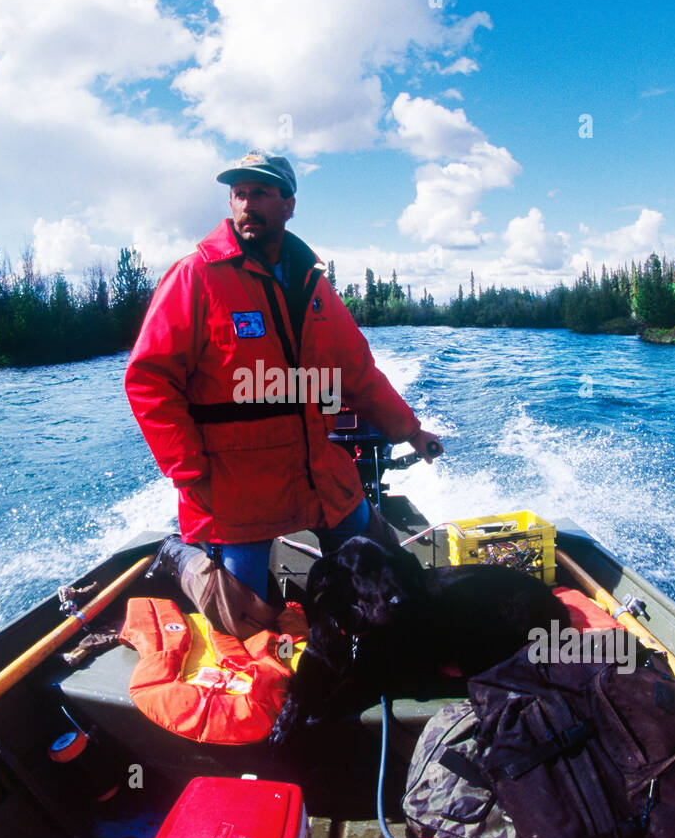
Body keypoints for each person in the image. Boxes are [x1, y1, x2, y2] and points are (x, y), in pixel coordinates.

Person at [125, 150, 443, 605]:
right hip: (236, 484)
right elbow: (148, 379)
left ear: (289, 204)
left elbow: (357, 371)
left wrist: (410, 431)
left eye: (260, 193)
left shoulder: (314, 283)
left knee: (390, 568)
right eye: (239, 194)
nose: (246, 204)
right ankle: (180, 555)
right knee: (244, 617)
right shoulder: (196, 277)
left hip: (316, 467)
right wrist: (188, 469)